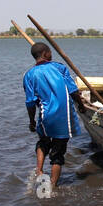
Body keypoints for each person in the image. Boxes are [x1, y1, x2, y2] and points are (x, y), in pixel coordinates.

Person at [23, 42, 85, 189]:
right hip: (64, 116)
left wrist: (31, 121)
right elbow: (73, 90)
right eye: (50, 52)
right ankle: (52, 186)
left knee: (43, 141)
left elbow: (30, 102)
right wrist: (81, 106)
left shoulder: (29, 75)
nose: (52, 55)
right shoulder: (59, 68)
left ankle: (39, 170)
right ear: (45, 54)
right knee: (58, 153)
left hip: (45, 115)